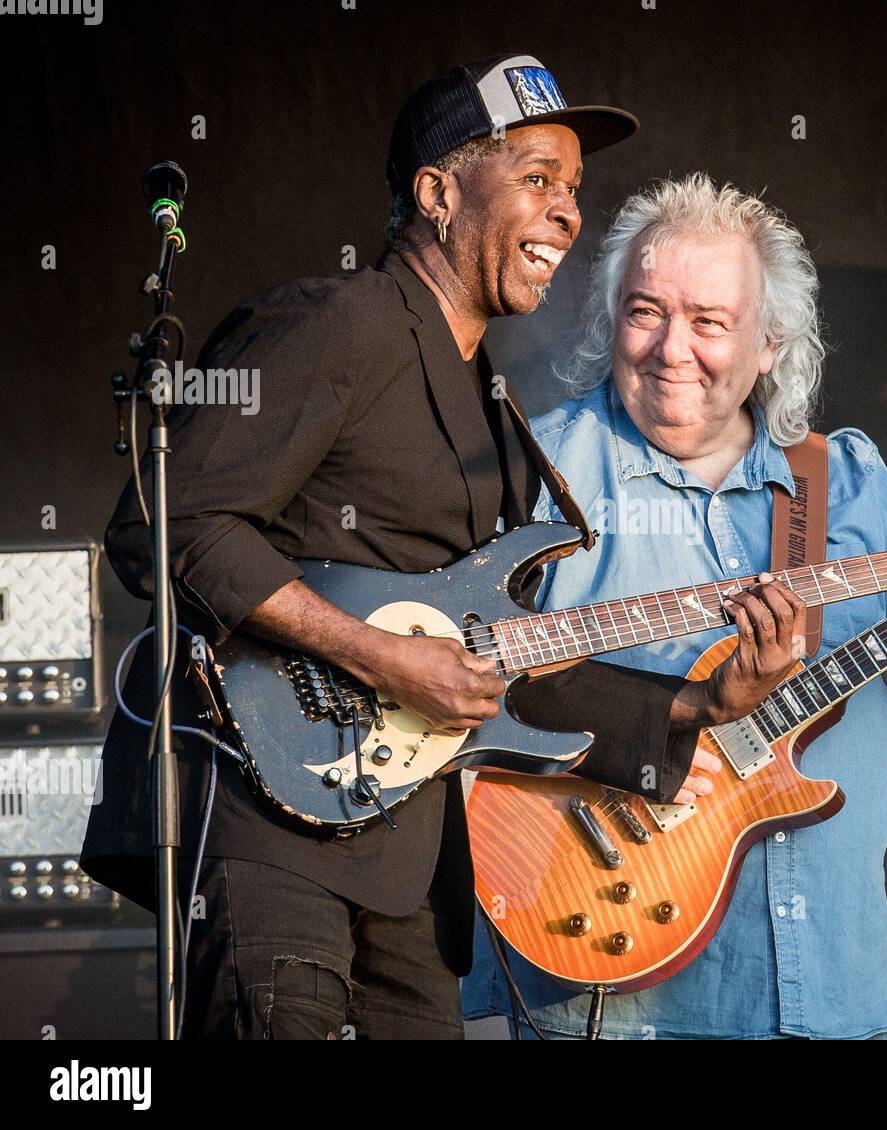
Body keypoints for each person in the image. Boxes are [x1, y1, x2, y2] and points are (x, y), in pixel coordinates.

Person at [82, 58, 802, 1040]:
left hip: (410, 871)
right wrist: (376, 652)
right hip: (268, 830)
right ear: (436, 192)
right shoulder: (340, 323)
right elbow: (171, 523)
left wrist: (699, 704)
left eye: (574, 190)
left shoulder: (495, 419)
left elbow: (500, 661)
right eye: (538, 177)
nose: (565, 212)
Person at [462, 173, 887, 1039]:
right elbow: (460, 691)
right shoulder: (536, 474)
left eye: (709, 322)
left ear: (769, 344)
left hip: (839, 996)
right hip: (619, 994)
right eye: (644, 311)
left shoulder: (840, 481)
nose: (669, 347)